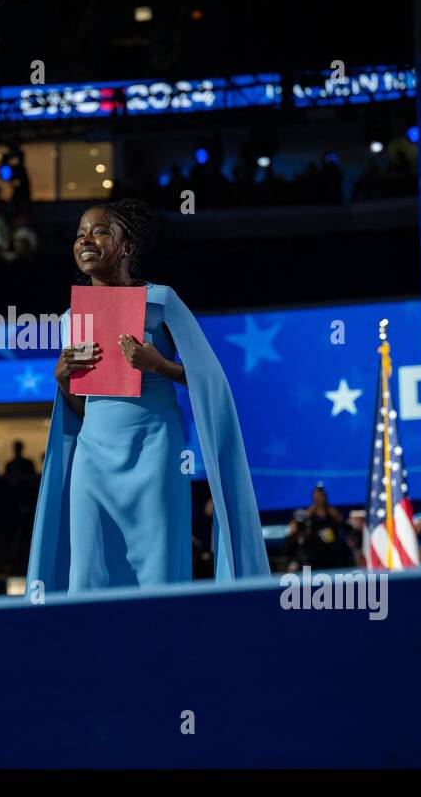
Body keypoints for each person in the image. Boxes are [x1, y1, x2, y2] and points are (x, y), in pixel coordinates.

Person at [28, 199, 269, 593]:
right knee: (87, 571)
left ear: (126, 247)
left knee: (156, 570)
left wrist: (160, 366)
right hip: (93, 455)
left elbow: (211, 380)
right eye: (79, 235)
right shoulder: (73, 318)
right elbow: (80, 411)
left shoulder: (162, 300)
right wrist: (63, 380)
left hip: (155, 450)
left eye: (100, 231)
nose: (86, 240)